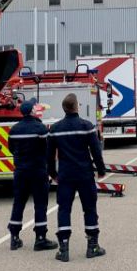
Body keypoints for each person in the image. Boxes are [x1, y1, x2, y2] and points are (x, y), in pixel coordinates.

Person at [48, 93, 107, 262]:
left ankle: (64, 248)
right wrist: (101, 169)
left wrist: (53, 174)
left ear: (64, 108)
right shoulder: (86, 126)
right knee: (89, 208)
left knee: (64, 209)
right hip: (84, 174)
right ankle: (93, 246)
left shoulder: (55, 129)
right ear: (76, 107)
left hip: (65, 175)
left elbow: (49, 155)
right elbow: (96, 150)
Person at [6, 99, 58, 252]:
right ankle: (40, 239)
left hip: (21, 171)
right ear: (32, 112)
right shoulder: (41, 128)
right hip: (38, 171)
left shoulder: (14, 130)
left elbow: (11, 149)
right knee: (40, 204)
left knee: (19, 203)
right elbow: (48, 150)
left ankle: (14, 238)